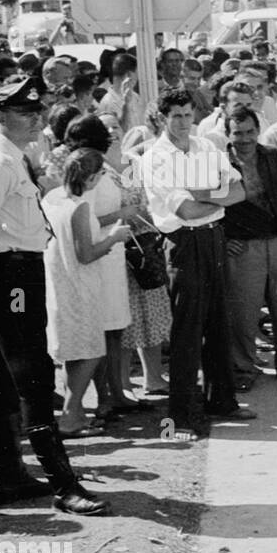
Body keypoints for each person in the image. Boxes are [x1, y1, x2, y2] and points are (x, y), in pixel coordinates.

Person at [0, 77, 110, 514]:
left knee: (7, 382)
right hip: (10, 276)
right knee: (34, 377)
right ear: (1, 117)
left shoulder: (15, 158)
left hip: (24, 270)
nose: (37, 118)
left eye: (38, 111)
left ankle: (13, 477)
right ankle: (64, 485)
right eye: (25, 112)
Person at [142, 88, 255, 441]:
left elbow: (240, 191)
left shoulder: (205, 147)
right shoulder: (155, 158)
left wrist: (204, 195)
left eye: (187, 114)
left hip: (213, 239)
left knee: (219, 321)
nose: (182, 122)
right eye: (175, 115)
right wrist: (216, 200)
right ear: (162, 118)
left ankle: (222, 401)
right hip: (182, 244)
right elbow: (185, 211)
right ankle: (181, 418)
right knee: (188, 331)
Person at [43, 148, 134, 435]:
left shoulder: (52, 198)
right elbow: (86, 253)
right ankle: (71, 414)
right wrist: (114, 238)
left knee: (74, 352)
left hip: (61, 284)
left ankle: (76, 411)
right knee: (93, 351)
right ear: (92, 177)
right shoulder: (79, 207)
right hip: (81, 285)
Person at [222, 107, 277, 392]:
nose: (245, 139)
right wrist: (222, 239)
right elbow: (203, 207)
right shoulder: (216, 164)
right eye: (238, 133)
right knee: (243, 315)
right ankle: (243, 369)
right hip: (242, 248)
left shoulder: (274, 157)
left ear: (258, 131)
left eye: (250, 132)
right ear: (227, 134)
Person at [98, 111, 171, 397]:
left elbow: (150, 199)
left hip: (144, 246)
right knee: (123, 320)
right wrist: (129, 215)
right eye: (105, 128)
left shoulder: (134, 162)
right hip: (116, 251)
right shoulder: (98, 168)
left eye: (116, 126)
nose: (113, 132)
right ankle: (123, 385)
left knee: (151, 311)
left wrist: (146, 215)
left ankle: (154, 377)